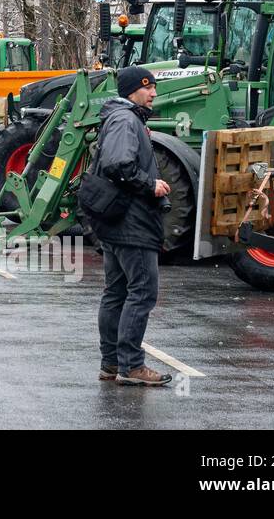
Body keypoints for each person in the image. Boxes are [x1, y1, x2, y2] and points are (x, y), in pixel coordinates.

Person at [80, 67, 173, 387]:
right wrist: (151, 185)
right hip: (131, 223)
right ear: (133, 89)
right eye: (148, 88)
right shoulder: (125, 120)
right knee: (142, 291)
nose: (154, 94)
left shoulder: (122, 118)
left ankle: (111, 364)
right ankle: (131, 365)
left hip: (118, 222)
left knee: (116, 292)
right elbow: (118, 164)